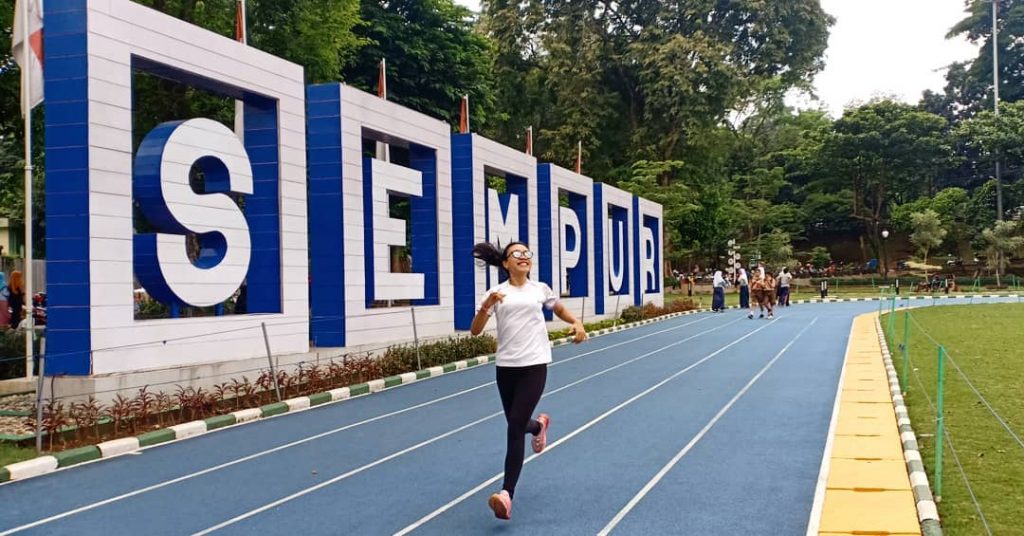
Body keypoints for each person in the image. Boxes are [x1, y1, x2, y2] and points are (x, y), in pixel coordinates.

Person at [470, 241, 588, 521]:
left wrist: (577, 323)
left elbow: (558, 309)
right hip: (506, 367)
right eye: (517, 254)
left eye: (527, 254)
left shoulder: (540, 289)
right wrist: (486, 307)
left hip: (534, 365)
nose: (523, 257)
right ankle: (539, 426)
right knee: (518, 421)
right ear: (506, 264)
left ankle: (506, 494)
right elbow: (475, 331)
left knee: (513, 427)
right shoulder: (496, 293)